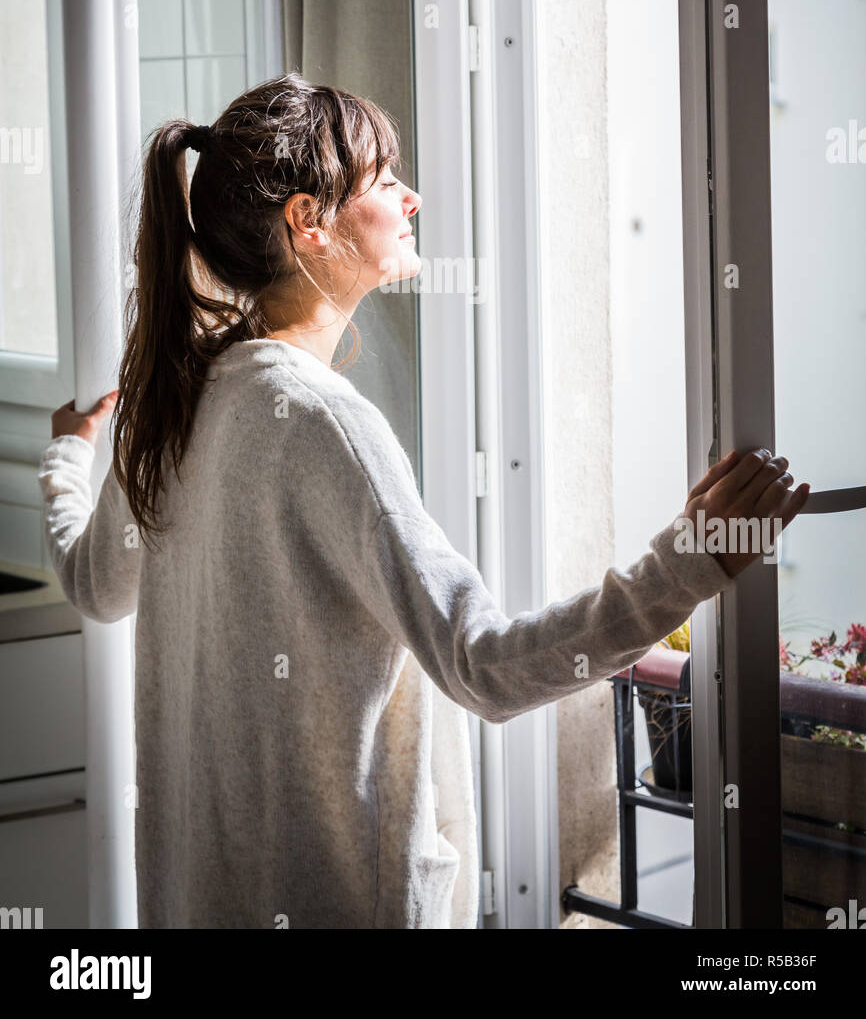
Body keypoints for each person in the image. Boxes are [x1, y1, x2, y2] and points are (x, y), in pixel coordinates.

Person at [38, 71, 810, 929]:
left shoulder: (179, 402)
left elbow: (91, 580)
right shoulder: (322, 424)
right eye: (384, 179)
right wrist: (690, 563)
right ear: (309, 221)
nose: (411, 197)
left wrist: (70, 454)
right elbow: (482, 666)